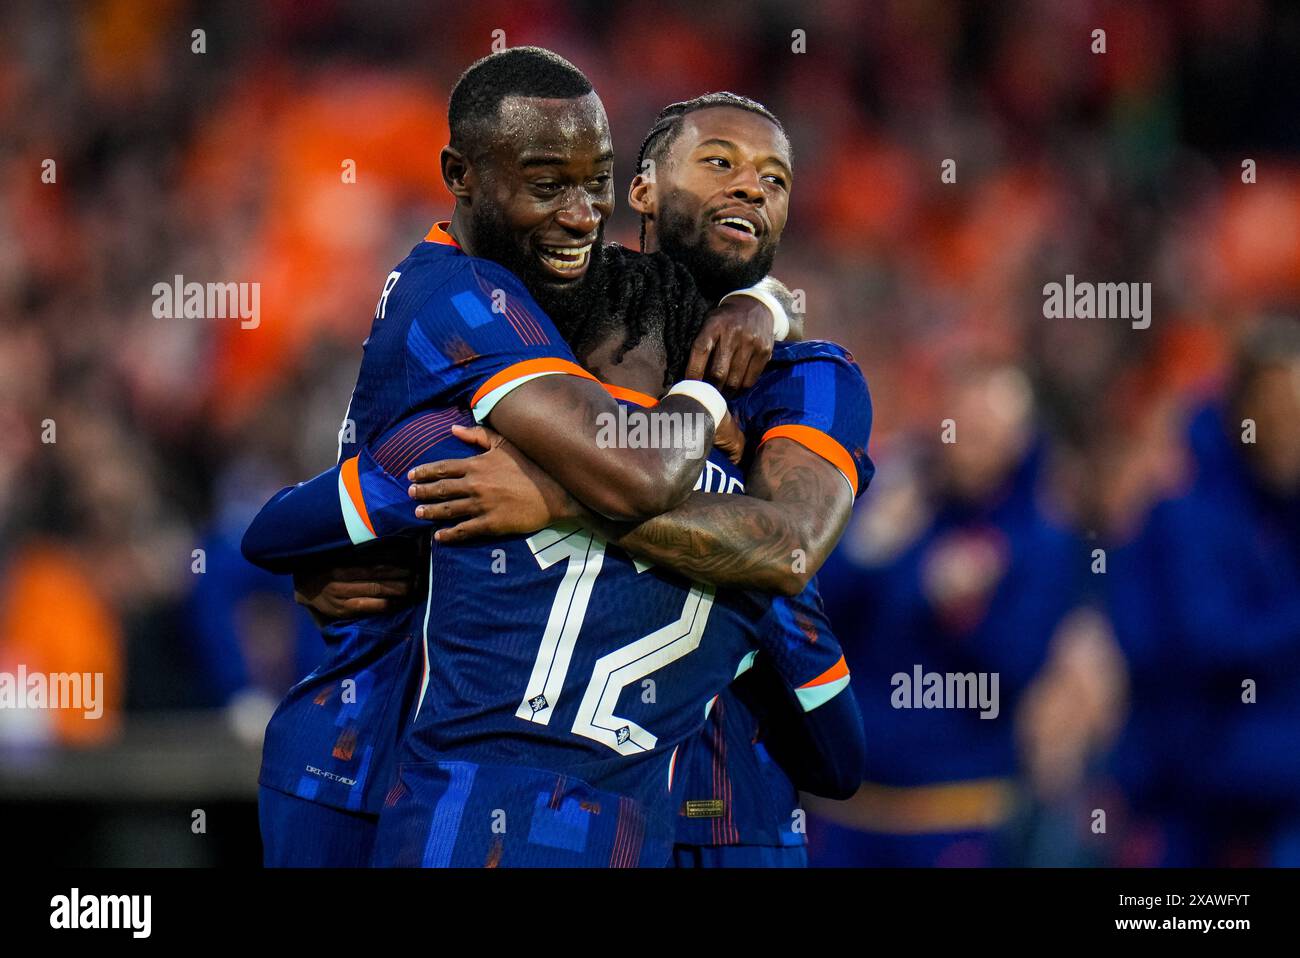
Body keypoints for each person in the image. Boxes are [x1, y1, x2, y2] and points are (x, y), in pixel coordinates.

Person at [244, 48, 786, 866]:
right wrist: (707, 392)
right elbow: (638, 471)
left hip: (457, 750)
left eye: (595, 181)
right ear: (458, 174)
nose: (580, 214)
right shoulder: (467, 299)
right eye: (546, 185)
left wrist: (760, 299)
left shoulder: (538, 286)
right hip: (359, 751)